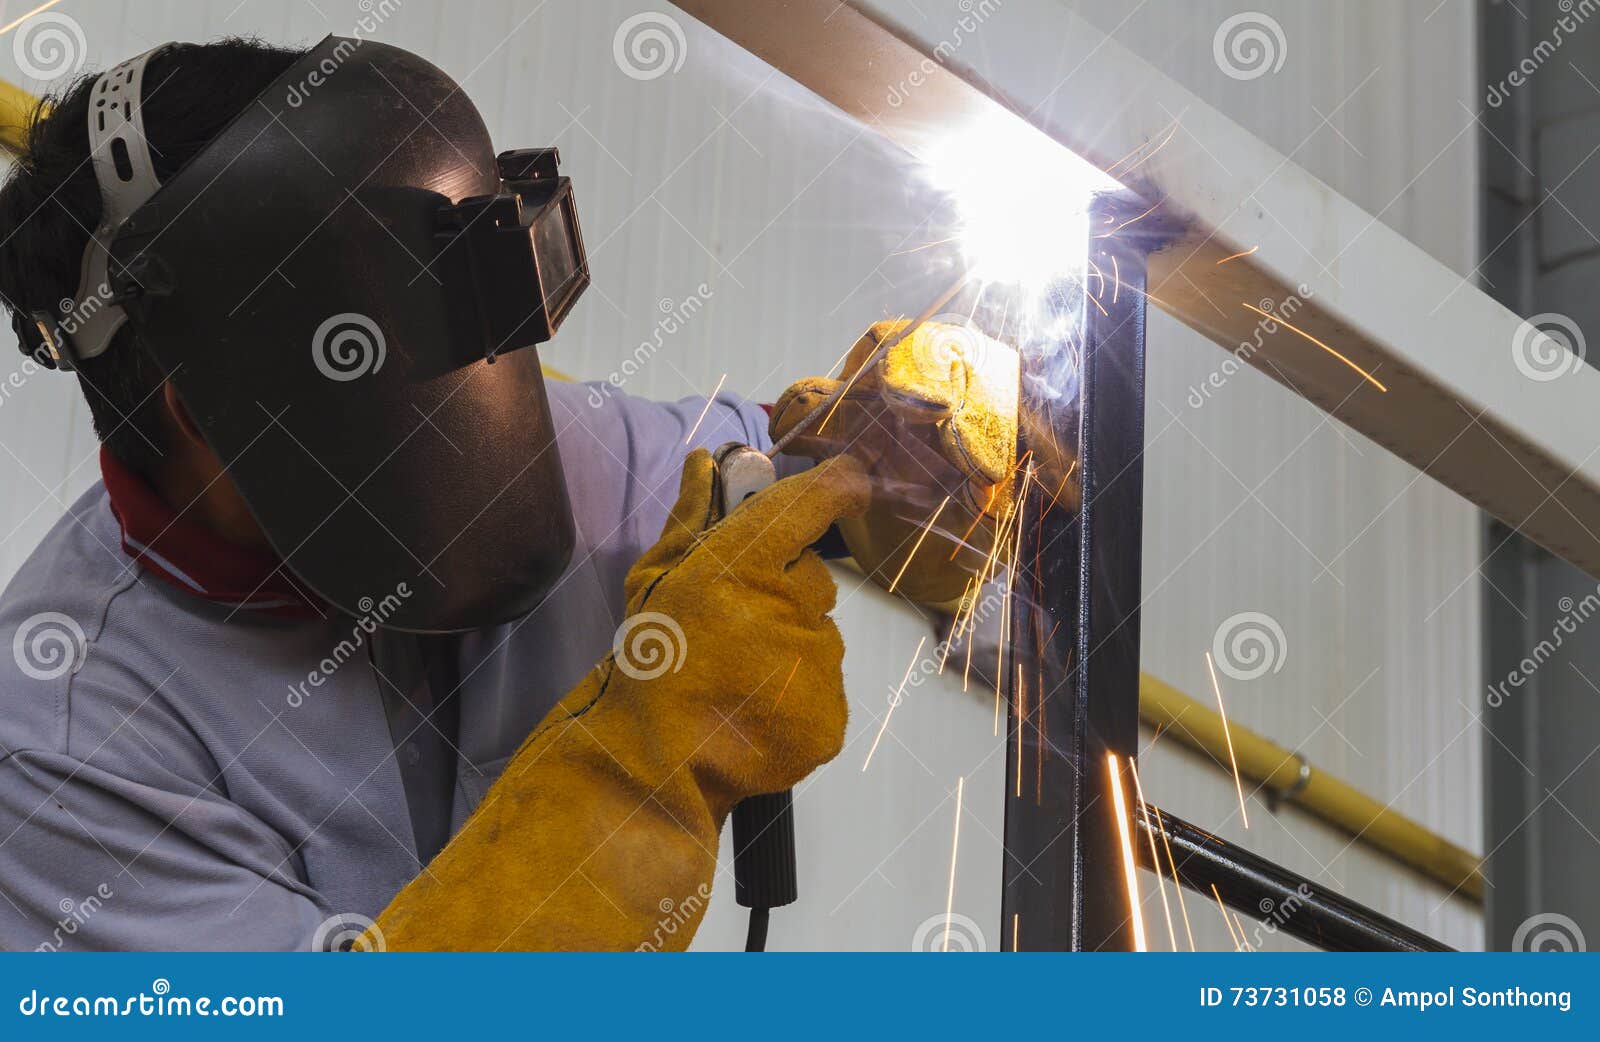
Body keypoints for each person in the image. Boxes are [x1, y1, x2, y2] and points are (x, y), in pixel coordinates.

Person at [0, 37, 1016, 951]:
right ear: (201, 406)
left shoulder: (531, 454)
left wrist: (899, 451)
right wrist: (638, 769)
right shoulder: (57, 750)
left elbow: (781, 486)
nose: (443, 399)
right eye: (370, 354)